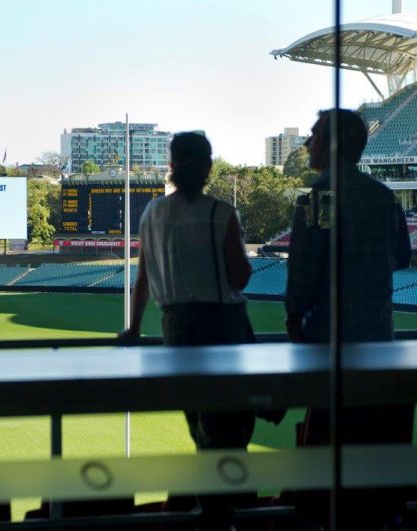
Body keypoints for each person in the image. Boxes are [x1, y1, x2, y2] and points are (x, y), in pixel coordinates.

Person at [119, 131, 257, 528]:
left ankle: (215, 509)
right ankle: (223, 513)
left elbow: (143, 278)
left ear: (171, 165)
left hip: (175, 328)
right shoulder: (222, 212)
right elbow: (241, 278)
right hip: (223, 327)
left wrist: (133, 328)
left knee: (200, 424)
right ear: (209, 166)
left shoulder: (151, 214)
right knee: (229, 427)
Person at [285, 109, 412, 528]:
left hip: (330, 343)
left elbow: (307, 267)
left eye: (315, 134)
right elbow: (404, 256)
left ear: (333, 145)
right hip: (378, 342)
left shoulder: (324, 197)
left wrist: (294, 319)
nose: (308, 143)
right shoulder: (382, 196)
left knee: (327, 452)